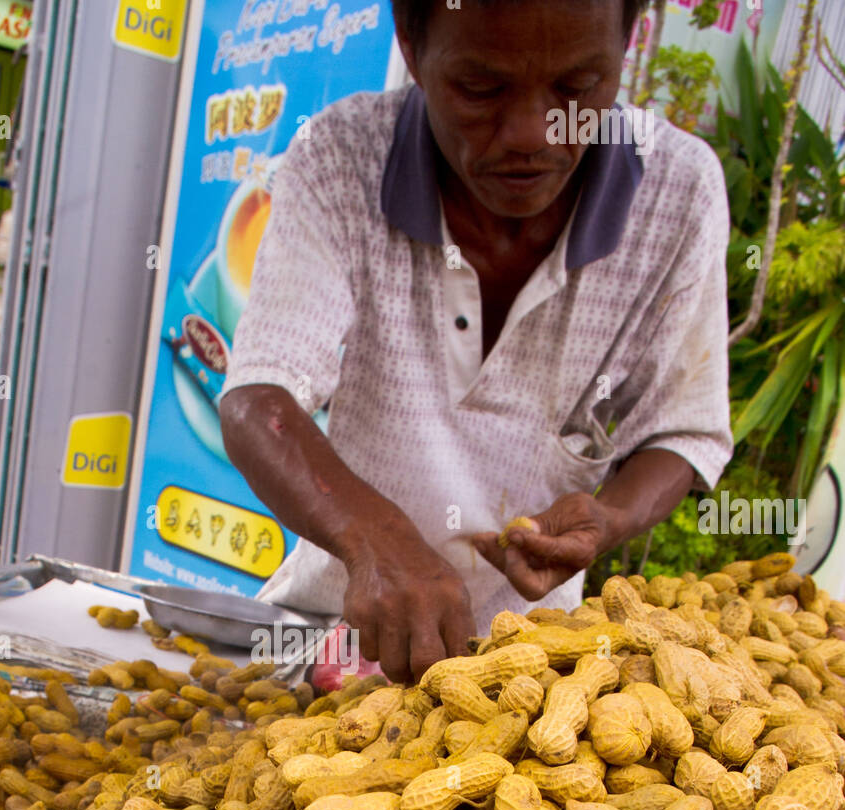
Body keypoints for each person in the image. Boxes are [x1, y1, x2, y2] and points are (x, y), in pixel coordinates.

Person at [219, 0, 731, 682]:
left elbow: (683, 430)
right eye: (480, 89)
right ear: (410, 39)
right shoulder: (340, 159)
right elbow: (258, 399)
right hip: (333, 639)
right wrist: (376, 540)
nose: (528, 134)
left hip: (529, 669)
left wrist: (605, 517)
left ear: (628, 41)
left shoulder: (679, 192)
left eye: (575, 89)